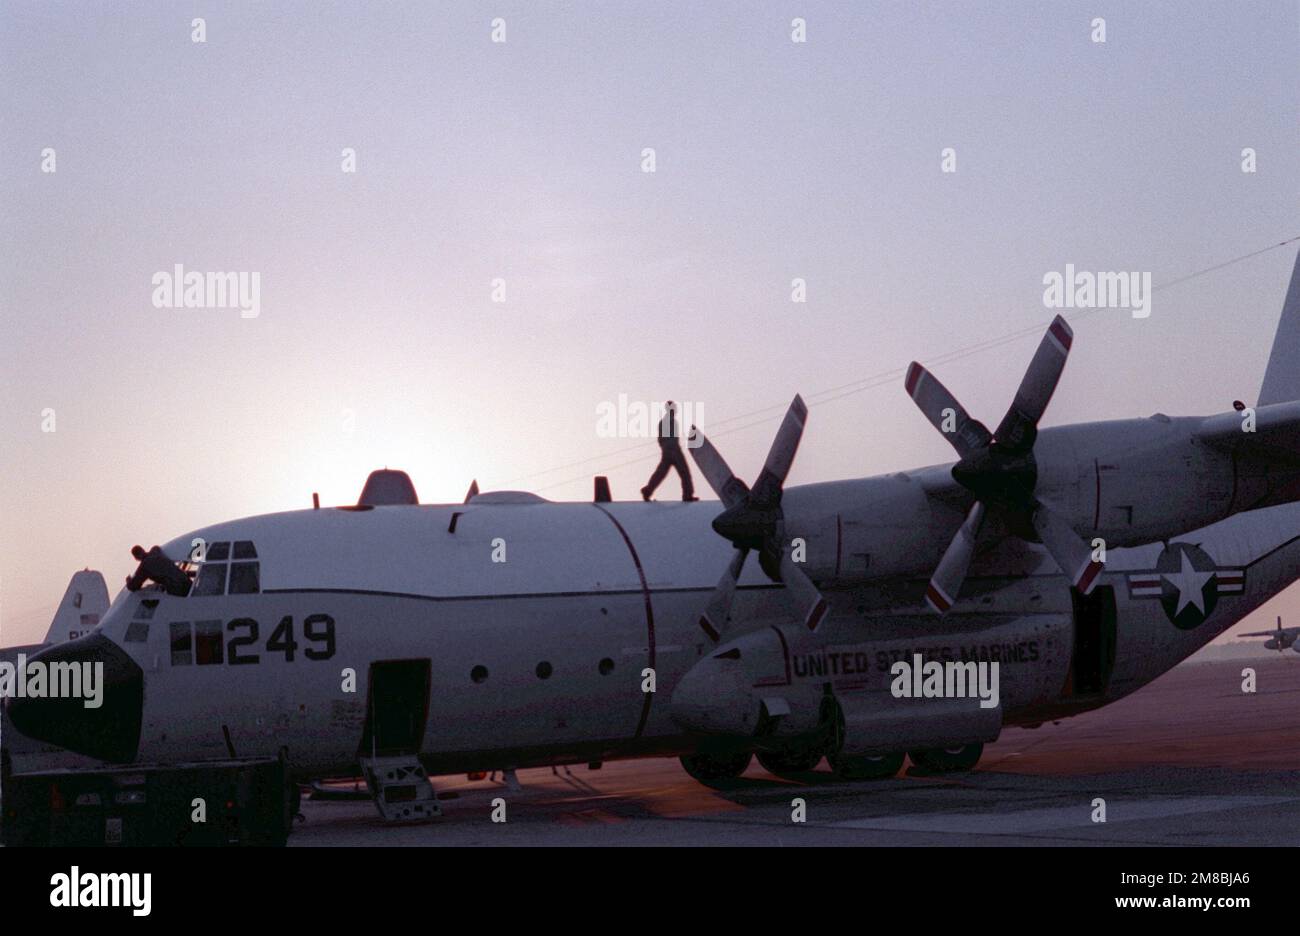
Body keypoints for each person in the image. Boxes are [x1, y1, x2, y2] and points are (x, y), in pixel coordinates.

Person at [641, 401, 698, 501]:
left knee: (661, 473)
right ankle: (687, 495)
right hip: (673, 449)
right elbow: (670, 438)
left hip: (666, 450)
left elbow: (660, 439)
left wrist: (664, 448)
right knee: (684, 472)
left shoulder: (662, 422)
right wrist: (672, 448)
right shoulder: (671, 421)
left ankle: (648, 490)